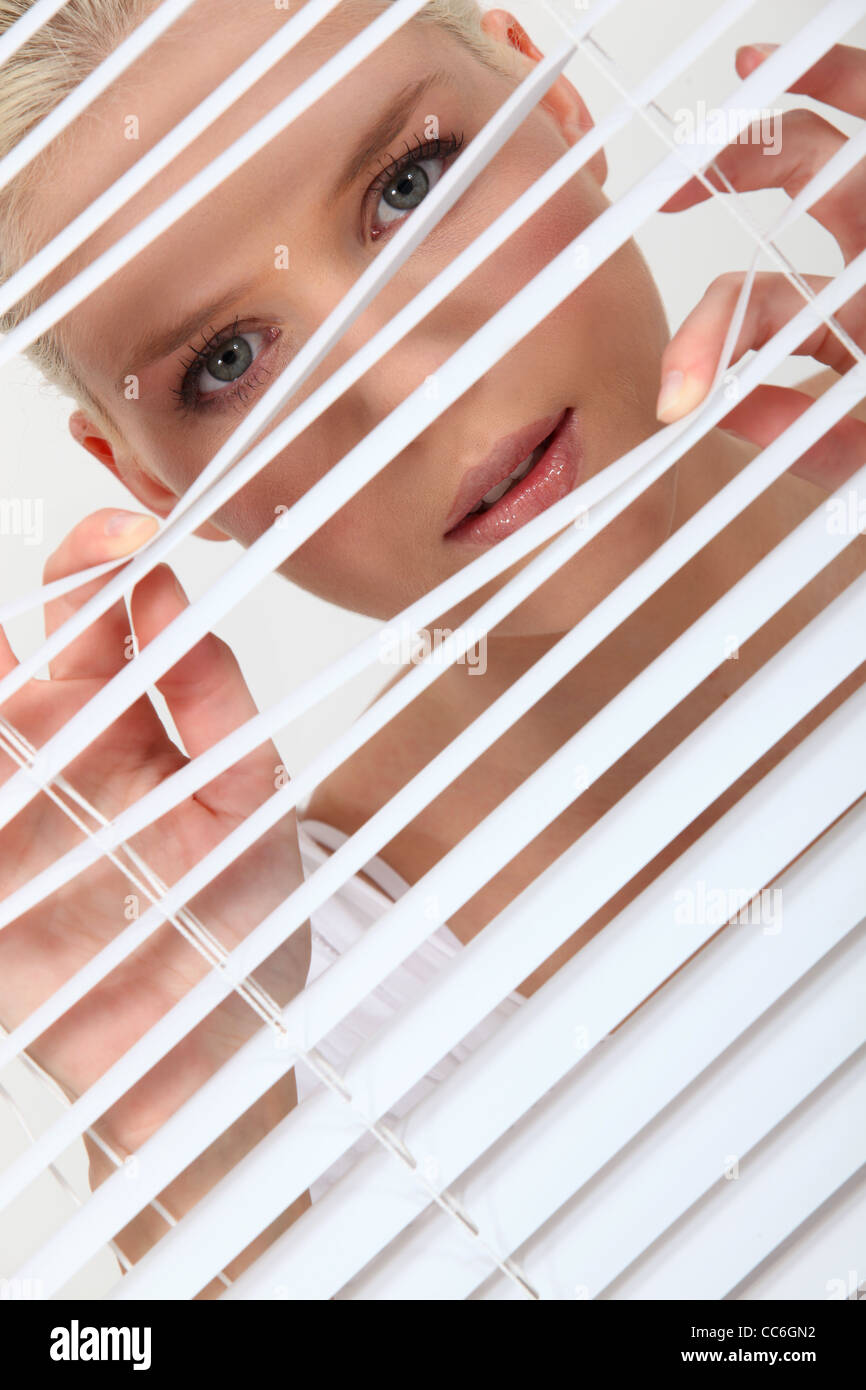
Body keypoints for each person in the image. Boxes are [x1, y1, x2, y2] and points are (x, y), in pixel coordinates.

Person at [0, 0, 863, 1297]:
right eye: (228, 359)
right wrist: (200, 1158)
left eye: (412, 179)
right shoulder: (277, 1031)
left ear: (552, 97)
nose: (409, 388)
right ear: (149, 480)